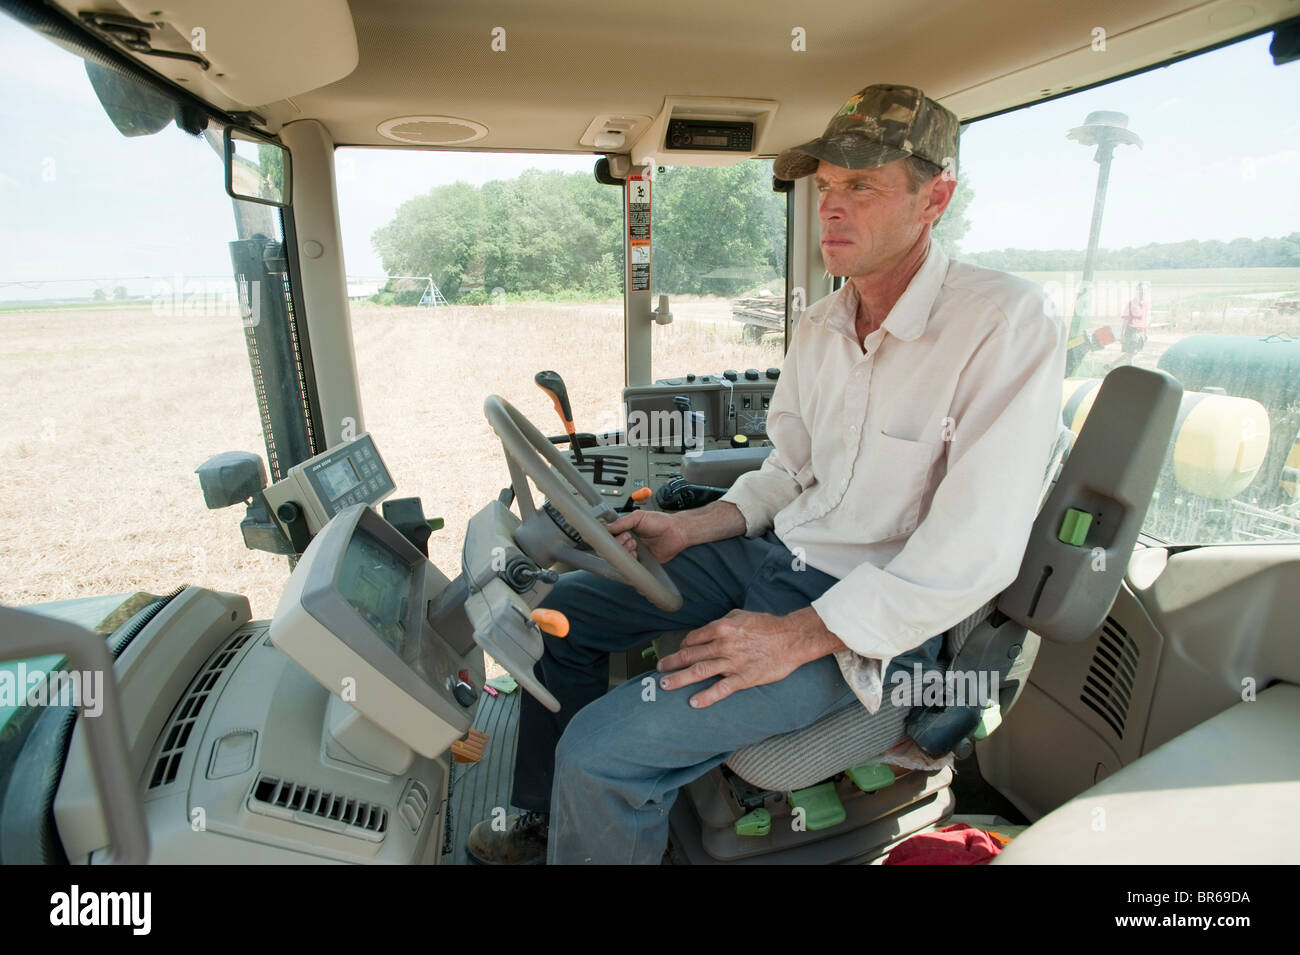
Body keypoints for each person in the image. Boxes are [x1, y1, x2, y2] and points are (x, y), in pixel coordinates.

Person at [466, 83, 1067, 865]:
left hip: (871, 623)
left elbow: (974, 549)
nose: (832, 206)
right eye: (826, 186)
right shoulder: (821, 323)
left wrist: (798, 636)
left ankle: (596, 796)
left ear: (935, 198)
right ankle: (549, 820)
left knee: (603, 748)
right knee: (566, 619)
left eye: (862, 185)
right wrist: (691, 525)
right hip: (777, 553)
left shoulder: (1003, 323)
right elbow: (787, 469)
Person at [1120, 281, 1151, 357]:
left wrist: (1145, 333)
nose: (1142, 292)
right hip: (1131, 331)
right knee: (1130, 354)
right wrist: (1122, 334)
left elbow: (1145, 320)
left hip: (1140, 332)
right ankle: (1129, 368)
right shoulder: (1131, 303)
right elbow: (1125, 320)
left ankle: (1111, 365)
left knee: (1132, 353)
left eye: (1143, 290)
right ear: (1136, 291)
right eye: (1140, 290)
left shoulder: (1146, 304)